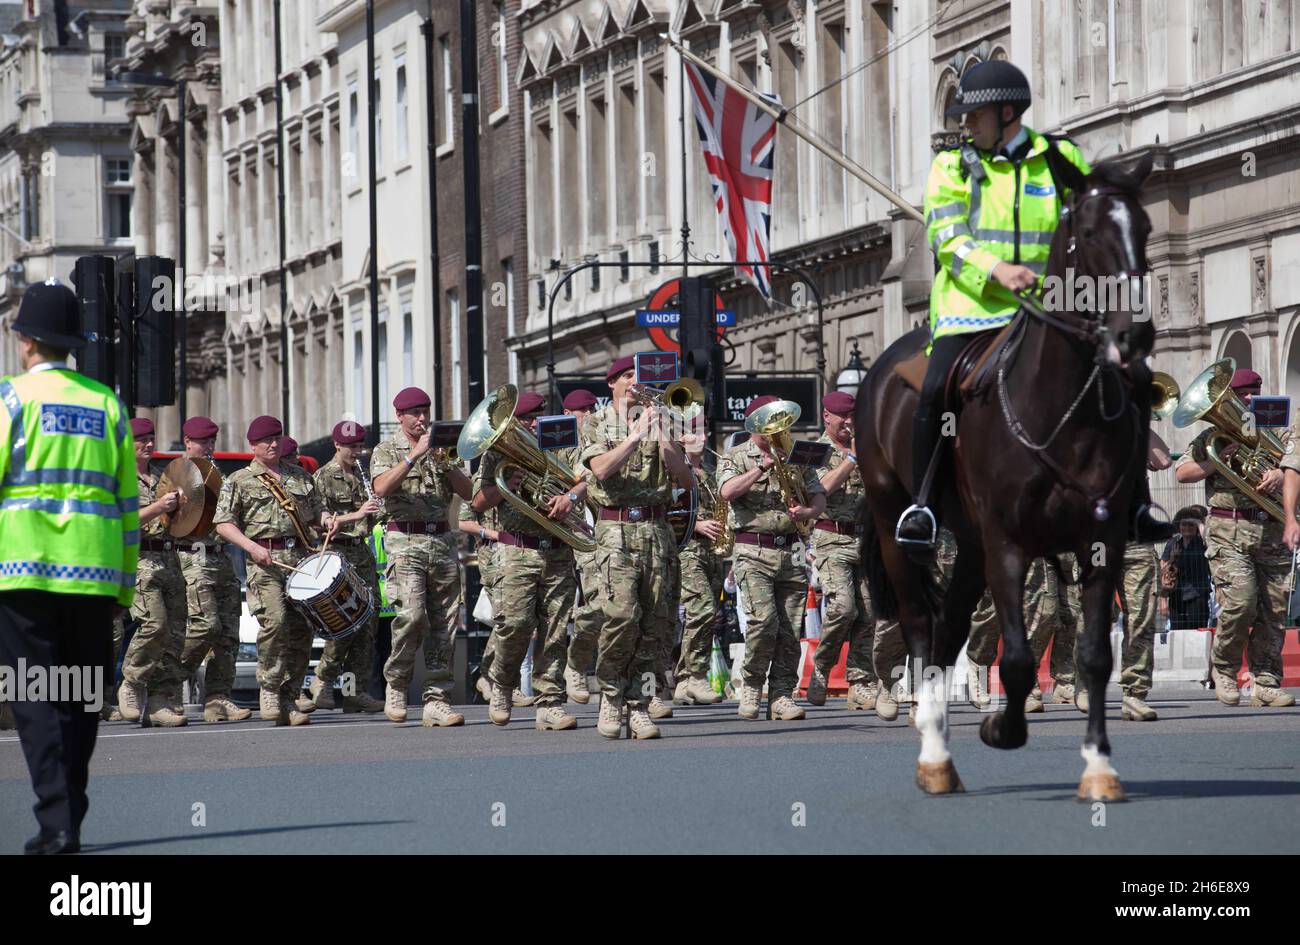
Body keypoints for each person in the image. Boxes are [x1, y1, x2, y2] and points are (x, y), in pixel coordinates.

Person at [894, 61, 1173, 548]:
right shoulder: (953, 165)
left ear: (1007, 113)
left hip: (1057, 305)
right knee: (937, 387)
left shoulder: (1058, 156)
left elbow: (1094, 211)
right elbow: (946, 235)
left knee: (1134, 374)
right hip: (974, 307)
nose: (965, 125)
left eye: (974, 115)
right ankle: (923, 505)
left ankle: (1137, 501)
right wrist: (996, 269)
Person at [0, 280, 138, 854]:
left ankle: (57, 822)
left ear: (27, 340)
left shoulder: (10, 401)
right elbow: (128, 504)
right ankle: (69, 817)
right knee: (83, 695)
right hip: (95, 573)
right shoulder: (107, 404)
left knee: (34, 695)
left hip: (24, 573)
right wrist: (126, 586)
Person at [578, 355, 693, 739]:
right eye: (628, 376)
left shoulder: (662, 419)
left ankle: (640, 705)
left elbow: (684, 479)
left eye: (639, 377)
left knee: (655, 625)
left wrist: (662, 433)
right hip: (615, 532)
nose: (635, 383)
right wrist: (635, 435)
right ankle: (611, 697)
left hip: (657, 530)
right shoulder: (595, 423)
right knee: (621, 617)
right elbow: (601, 470)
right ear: (612, 383)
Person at [1178, 368, 1294, 708]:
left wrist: (1280, 474)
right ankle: (1226, 671)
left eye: (1253, 393)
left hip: (1271, 532)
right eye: (1242, 393)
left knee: (1273, 610)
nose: (1248, 399)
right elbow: (1182, 472)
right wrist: (1216, 461)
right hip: (1228, 531)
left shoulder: (1278, 432)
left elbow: (1296, 467)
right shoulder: (1212, 437)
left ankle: (1267, 681)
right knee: (1241, 602)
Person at [214, 415, 336, 725]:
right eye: (266, 440)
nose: (273, 443)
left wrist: (325, 519)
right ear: (253, 445)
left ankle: (289, 696)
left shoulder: (300, 477)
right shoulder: (239, 480)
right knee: (276, 621)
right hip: (264, 561)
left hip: (299, 561)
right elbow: (224, 523)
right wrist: (252, 547)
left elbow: (315, 512)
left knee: (302, 629)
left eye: (277, 438)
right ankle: (268, 686)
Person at [473, 391, 583, 730]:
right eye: (524, 419)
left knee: (554, 629)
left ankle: (550, 701)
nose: (532, 423)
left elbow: (585, 479)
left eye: (536, 416)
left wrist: (570, 497)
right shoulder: (496, 452)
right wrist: (507, 484)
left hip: (557, 547)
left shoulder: (561, 442)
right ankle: (502, 685)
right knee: (516, 624)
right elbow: (477, 502)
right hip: (516, 549)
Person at [718, 395, 826, 721]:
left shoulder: (794, 455)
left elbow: (818, 496)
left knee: (791, 628)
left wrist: (809, 510)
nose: (778, 430)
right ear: (755, 424)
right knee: (763, 622)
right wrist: (762, 467)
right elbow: (726, 492)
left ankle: (781, 694)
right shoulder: (736, 455)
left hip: (791, 548)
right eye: (771, 423)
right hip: (753, 549)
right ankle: (751, 684)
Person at [370, 387, 473, 727]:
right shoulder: (386, 450)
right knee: (411, 617)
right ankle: (397, 683)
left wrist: (445, 462)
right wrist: (415, 455)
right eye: (415, 412)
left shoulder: (444, 448)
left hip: (441, 538)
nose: (422, 418)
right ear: (399, 416)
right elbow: (382, 488)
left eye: (426, 411)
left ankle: (436, 698)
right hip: (406, 538)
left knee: (444, 622)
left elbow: (469, 492)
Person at [175, 416, 251, 723]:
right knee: (207, 625)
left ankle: (218, 698)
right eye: (202, 442)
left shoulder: (220, 474)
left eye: (211, 442)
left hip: (222, 557)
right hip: (192, 556)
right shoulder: (176, 475)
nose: (208, 447)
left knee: (228, 634)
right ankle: (165, 684)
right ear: (187, 443)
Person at [807, 391, 879, 711]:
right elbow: (819, 488)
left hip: (865, 538)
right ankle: (821, 670)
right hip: (830, 538)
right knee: (843, 608)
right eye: (843, 417)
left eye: (853, 417)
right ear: (827, 416)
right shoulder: (815, 449)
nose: (850, 423)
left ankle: (861, 682)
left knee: (870, 611)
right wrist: (852, 459)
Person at [309, 420, 386, 713]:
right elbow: (321, 523)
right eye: (351, 447)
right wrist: (356, 514)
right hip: (337, 555)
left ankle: (354, 691)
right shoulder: (323, 477)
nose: (357, 452)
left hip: (361, 554)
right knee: (344, 622)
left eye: (359, 446)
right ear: (337, 445)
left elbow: (369, 520)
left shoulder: (362, 474)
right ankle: (324, 679)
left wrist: (378, 511)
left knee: (367, 624)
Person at [118, 417, 187, 727]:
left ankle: (160, 701)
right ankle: (131, 682)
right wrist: (160, 506)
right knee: (153, 624)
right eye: (140, 439)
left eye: (151, 438)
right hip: (139, 561)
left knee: (174, 635)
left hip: (170, 560)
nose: (148, 443)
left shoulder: (160, 478)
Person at [673, 418, 727, 706]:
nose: (703, 437)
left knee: (707, 616)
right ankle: (696, 676)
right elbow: (665, 509)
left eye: (705, 430)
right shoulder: (673, 470)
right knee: (702, 608)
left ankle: (683, 679)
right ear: (680, 437)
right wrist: (695, 525)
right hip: (685, 548)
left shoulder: (709, 472)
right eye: (695, 431)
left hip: (712, 552)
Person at [562, 388, 602, 704]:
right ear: (568, 415)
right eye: (582, 412)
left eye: (591, 410)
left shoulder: (605, 440)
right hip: (575, 536)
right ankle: (575, 664)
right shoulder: (561, 447)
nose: (589, 416)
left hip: (608, 534)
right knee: (596, 607)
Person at [1161, 508, 1210, 631]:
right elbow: (1163, 570)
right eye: (1184, 524)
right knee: (1177, 631)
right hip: (1176, 594)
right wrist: (1173, 558)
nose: (1187, 527)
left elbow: (1211, 541)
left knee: (1197, 630)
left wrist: (1199, 523)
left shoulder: (1202, 542)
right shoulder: (1172, 543)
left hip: (1198, 594)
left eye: (1191, 524)